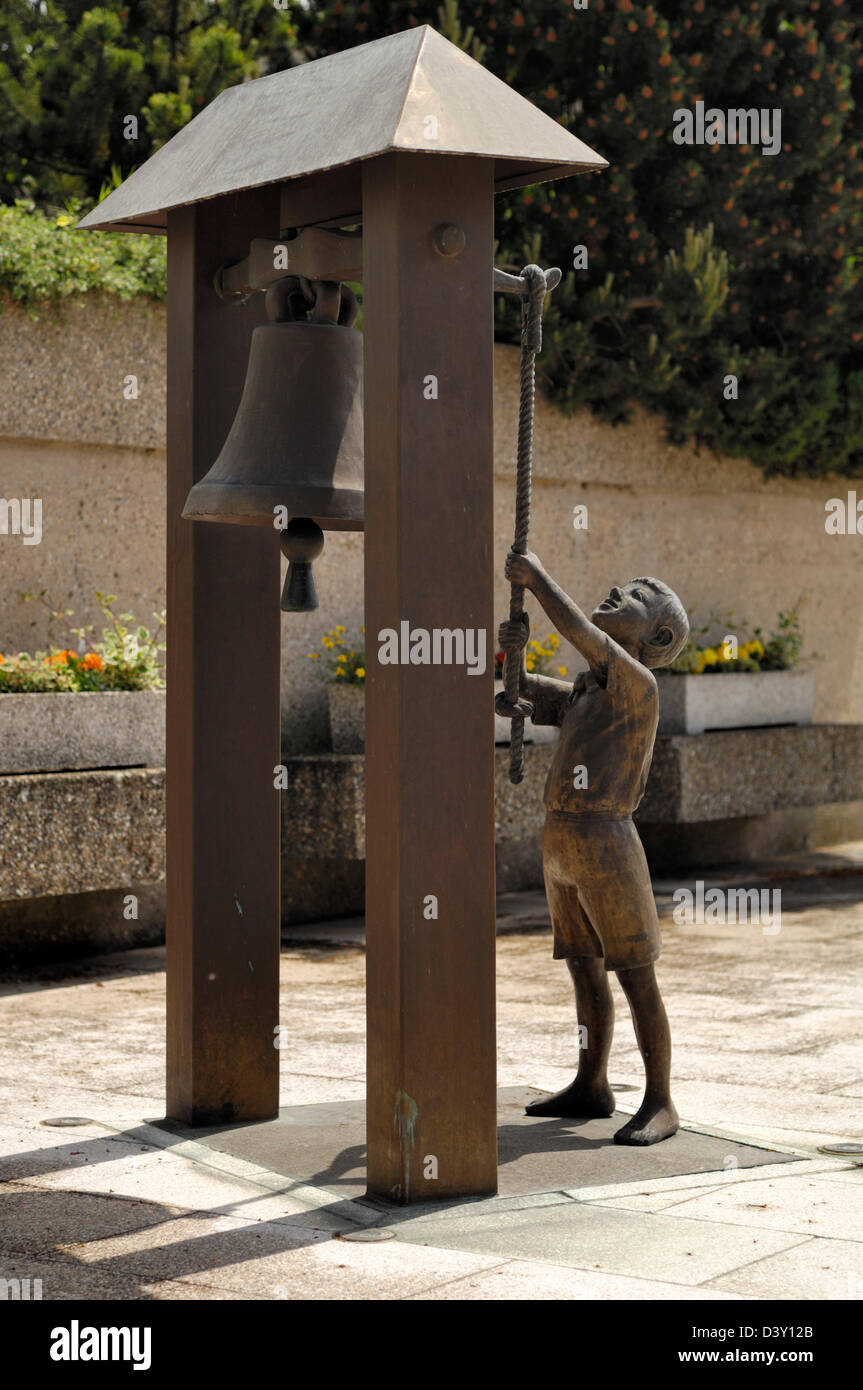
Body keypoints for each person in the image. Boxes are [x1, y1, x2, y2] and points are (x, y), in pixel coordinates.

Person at [499, 551, 689, 1145]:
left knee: (635, 975)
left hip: (608, 844)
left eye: (638, 593)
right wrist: (507, 664)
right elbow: (521, 692)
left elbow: (579, 630)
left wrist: (536, 580)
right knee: (583, 970)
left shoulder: (638, 684)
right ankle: (592, 1082)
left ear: (656, 635)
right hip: (562, 843)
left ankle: (660, 1099)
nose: (618, 588)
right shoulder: (586, 689)